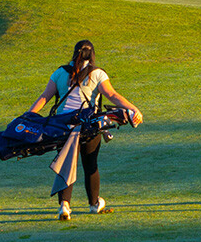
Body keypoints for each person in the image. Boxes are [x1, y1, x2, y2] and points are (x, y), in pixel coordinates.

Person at [28, 39, 143, 220]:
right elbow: (112, 95)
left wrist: (27, 115)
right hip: (88, 127)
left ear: (75, 53)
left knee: (65, 165)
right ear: (93, 54)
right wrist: (134, 109)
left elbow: (45, 97)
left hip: (63, 127)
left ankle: (64, 206)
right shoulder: (97, 74)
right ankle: (94, 204)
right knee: (90, 165)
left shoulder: (59, 73)